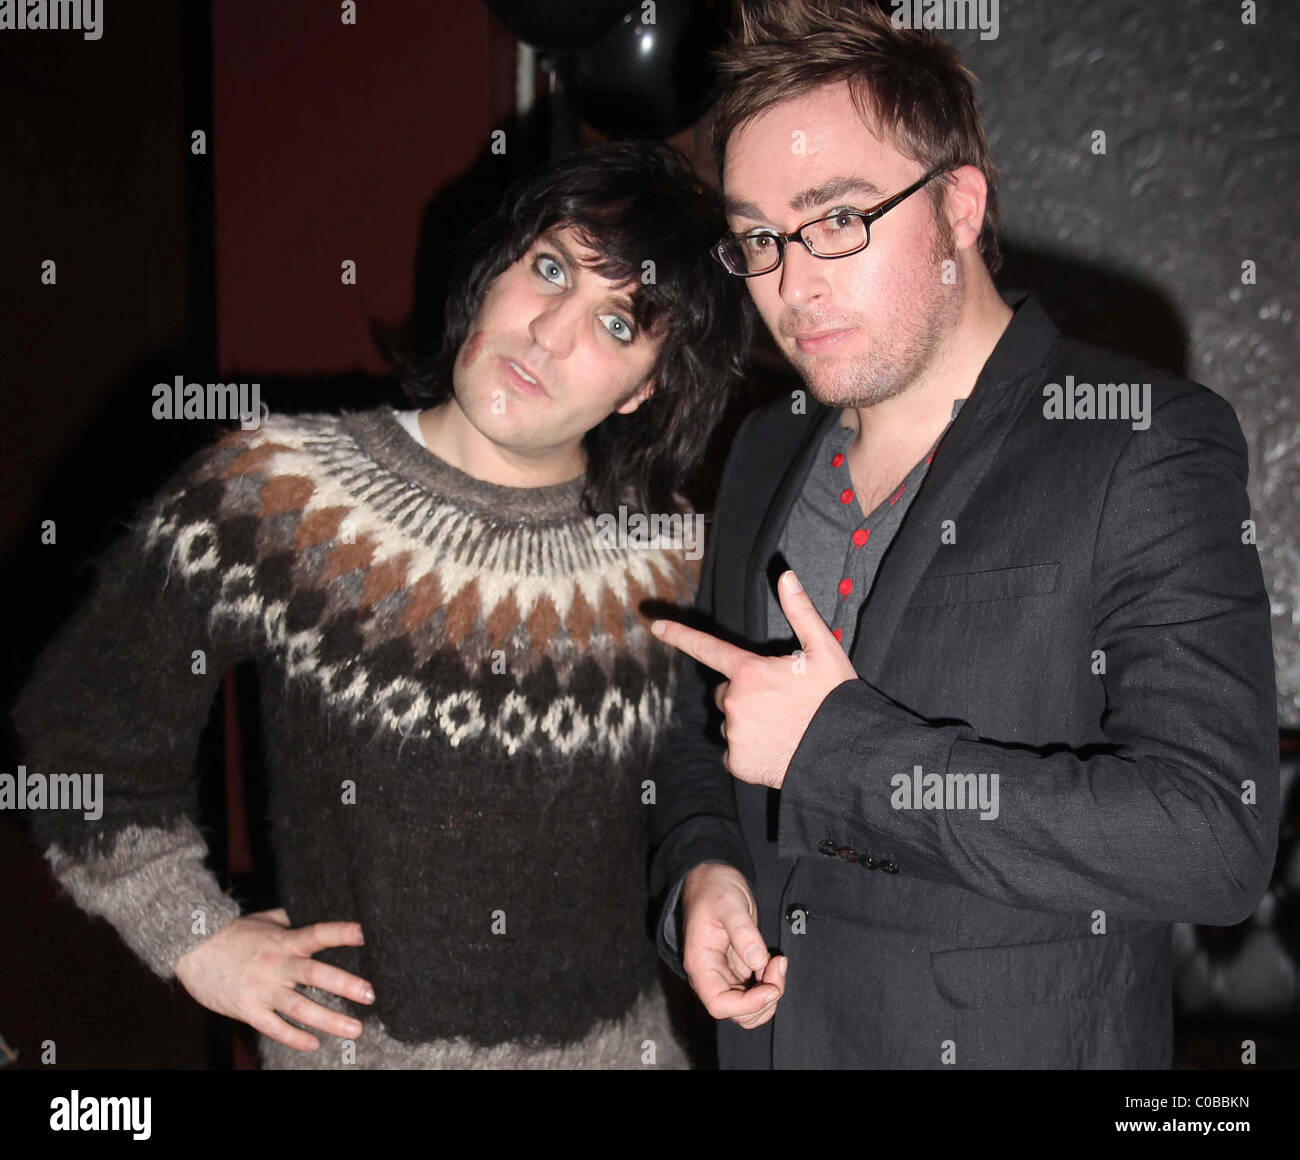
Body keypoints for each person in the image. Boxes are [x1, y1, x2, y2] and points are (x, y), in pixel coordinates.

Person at [13, 140, 751, 1068]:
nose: (550, 332)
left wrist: (708, 872)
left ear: (648, 387)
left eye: (617, 325)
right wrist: (197, 937)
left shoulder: (668, 553)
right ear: (496, 269)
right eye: (551, 269)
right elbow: (79, 741)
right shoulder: (275, 495)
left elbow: (686, 770)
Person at [647, 0, 1278, 1069]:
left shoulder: (1138, 440)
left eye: (837, 216)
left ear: (957, 207)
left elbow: (1214, 835)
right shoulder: (764, 446)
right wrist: (701, 871)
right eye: (758, 237)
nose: (792, 284)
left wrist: (842, 753)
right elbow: (704, 735)